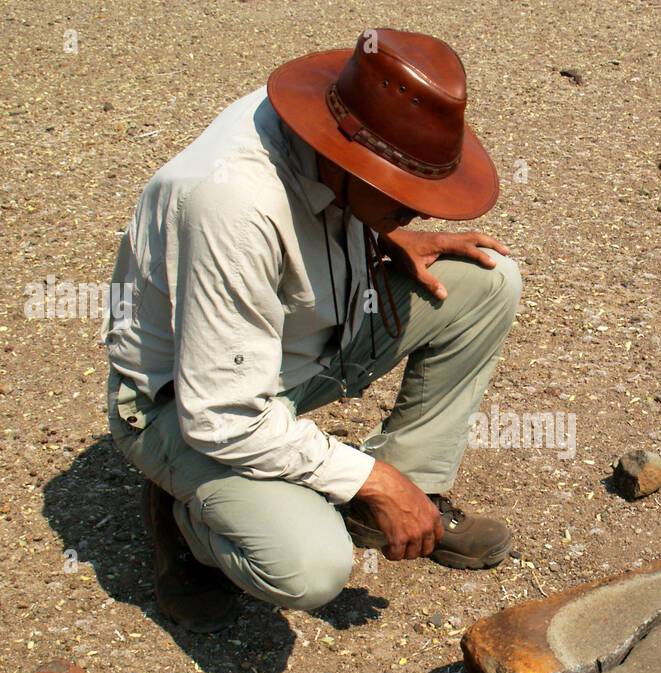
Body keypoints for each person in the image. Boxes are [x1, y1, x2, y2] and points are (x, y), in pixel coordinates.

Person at [102, 29, 521, 632]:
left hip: (293, 354)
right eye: (403, 197)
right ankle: (185, 513)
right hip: (186, 407)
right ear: (353, 160)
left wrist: (387, 230)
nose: (420, 209)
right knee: (311, 568)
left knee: (487, 280)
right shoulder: (231, 204)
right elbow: (222, 414)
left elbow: (334, 198)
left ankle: (410, 498)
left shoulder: (331, 121)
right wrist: (367, 475)